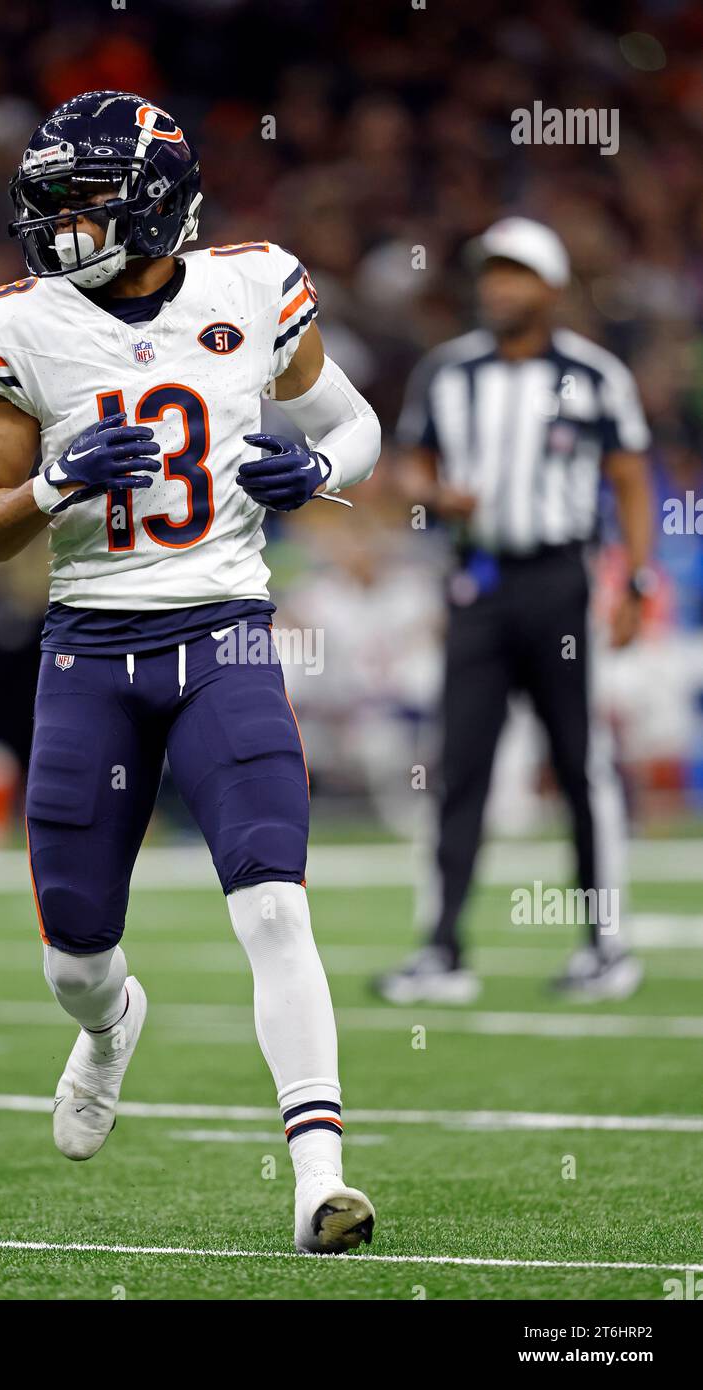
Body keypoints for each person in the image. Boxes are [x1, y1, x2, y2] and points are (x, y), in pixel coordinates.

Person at [0, 91, 381, 1254]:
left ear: (150, 203)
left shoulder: (253, 287)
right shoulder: (19, 326)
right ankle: (108, 1030)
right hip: (90, 652)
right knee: (74, 956)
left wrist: (318, 471)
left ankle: (319, 1177)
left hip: (226, 636)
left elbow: (358, 427)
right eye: (52, 205)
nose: (60, 227)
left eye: (83, 202)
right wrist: (52, 486)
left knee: (273, 901)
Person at [376, 217, 654, 1006]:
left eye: (516, 273)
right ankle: (442, 949)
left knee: (580, 764)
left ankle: (605, 945)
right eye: (491, 272)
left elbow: (631, 480)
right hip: (480, 582)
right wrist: (431, 493)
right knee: (460, 763)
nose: (499, 286)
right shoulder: (448, 371)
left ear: (551, 286)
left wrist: (633, 582)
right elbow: (411, 465)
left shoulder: (595, 374)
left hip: (560, 581)